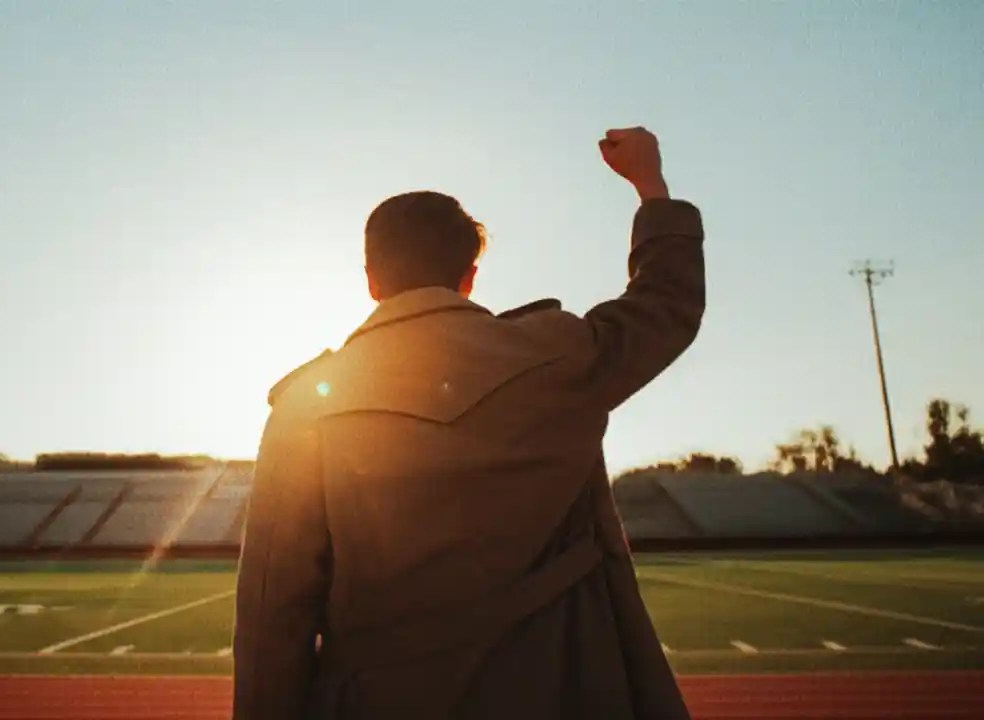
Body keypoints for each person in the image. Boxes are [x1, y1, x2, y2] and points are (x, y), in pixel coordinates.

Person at [233, 126, 703, 719]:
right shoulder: (559, 354)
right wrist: (649, 184)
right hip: (565, 691)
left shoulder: (306, 406)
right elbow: (666, 306)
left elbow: (273, 617)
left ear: (372, 279)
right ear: (470, 274)